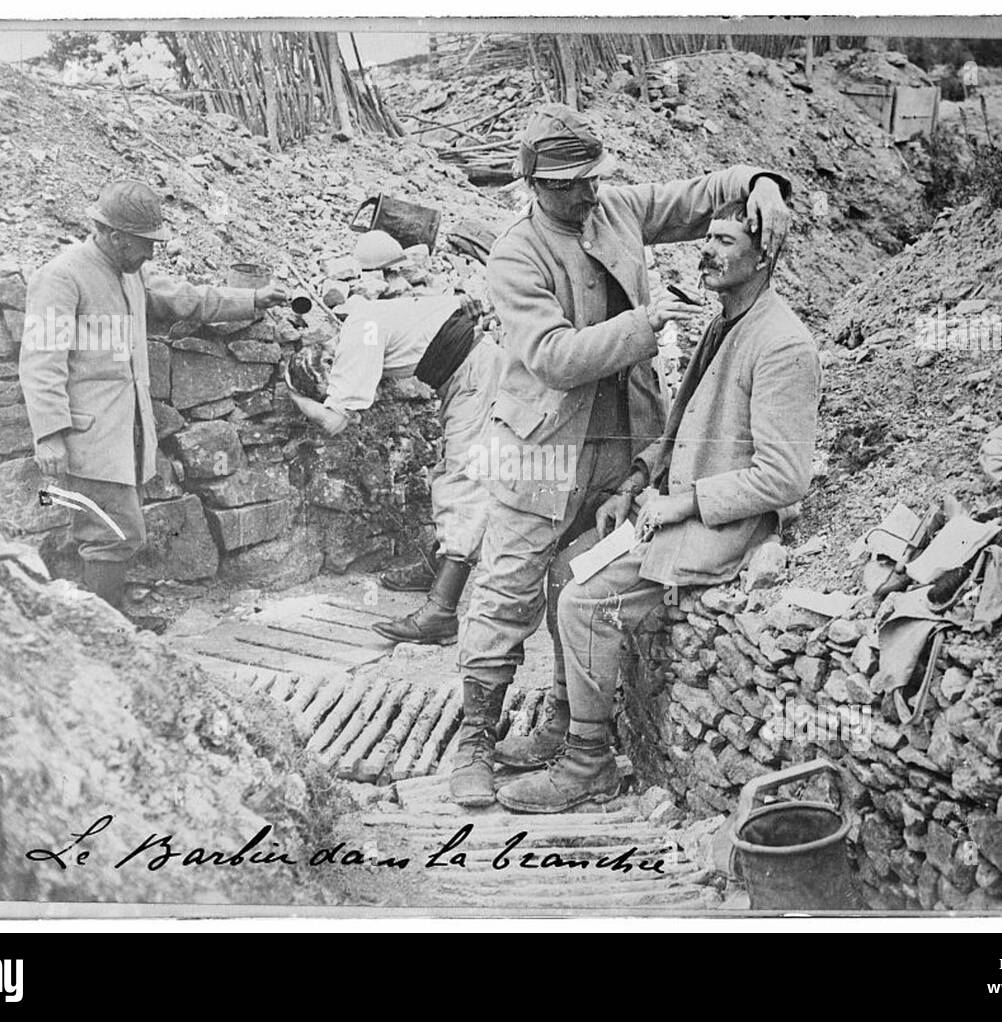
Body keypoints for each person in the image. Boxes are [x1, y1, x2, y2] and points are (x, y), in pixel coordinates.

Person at [448, 101, 794, 807]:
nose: (586, 192)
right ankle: (474, 742)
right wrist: (645, 323)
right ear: (534, 186)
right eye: (569, 183)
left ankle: (562, 722)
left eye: (592, 177)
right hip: (541, 451)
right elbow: (551, 357)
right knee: (508, 589)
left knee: (577, 582)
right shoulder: (517, 252)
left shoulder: (618, 209)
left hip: (623, 441)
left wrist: (761, 181)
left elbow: (702, 197)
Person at [495, 198, 821, 813]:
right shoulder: (727, 322)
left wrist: (684, 505)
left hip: (721, 528)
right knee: (565, 566)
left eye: (726, 241)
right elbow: (681, 430)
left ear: (763, 257)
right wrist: (633, 484)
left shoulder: (783, 346)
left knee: (588, 603)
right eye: (710, 237)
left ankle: (587, 763)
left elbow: (784, 478)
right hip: (675, 507)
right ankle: (566, 723)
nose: (709, 250)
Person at [19, 179, 288, 612]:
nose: (151, 253)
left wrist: (252, 298)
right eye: (144, 243)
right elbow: (40, 361)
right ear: (113, 235)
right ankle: (103, 637)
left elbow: (187, 298)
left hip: (125, 432)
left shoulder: (131, 272)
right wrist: (49, 434)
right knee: (112, 533)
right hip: (88, 437)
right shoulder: (61, 276)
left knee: (112, 533)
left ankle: (106, 625)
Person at [284, 230, 500, 645]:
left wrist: (296, 398)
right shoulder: (368, 316)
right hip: (469, 368)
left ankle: (441, 613)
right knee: (448, 472)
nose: (330, 366)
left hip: (475, 372)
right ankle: (436, 568)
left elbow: (335, 423)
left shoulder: (357, 334)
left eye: (325, 363)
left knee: (463, 482)